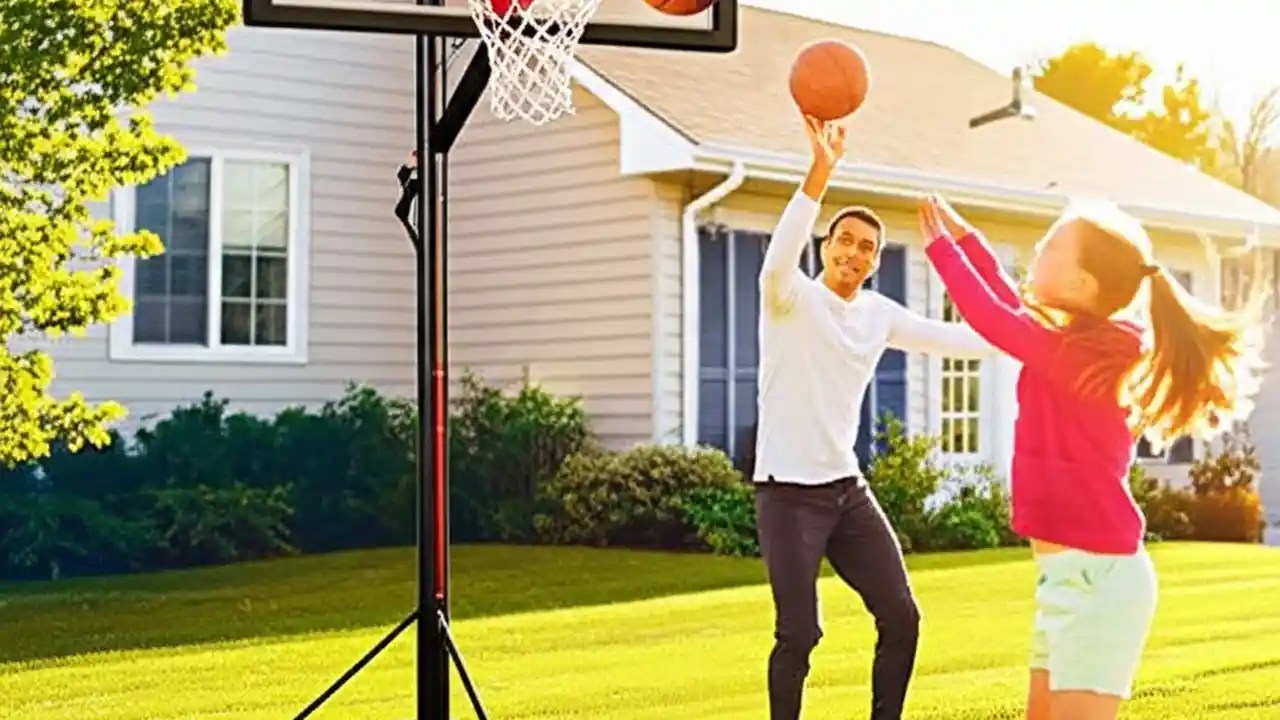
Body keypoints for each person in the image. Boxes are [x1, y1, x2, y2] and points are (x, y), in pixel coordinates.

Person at [919, 193, 1267, 720]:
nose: (1038, 248)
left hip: (1097, 583)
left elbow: (994, 318)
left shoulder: (1077, 353)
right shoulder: (1074, 341)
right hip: (1065, 579)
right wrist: (967, 240)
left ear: (1083, 285)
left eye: (1051, 245)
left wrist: (944, 252)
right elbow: (1009, 304)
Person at [753, 115, 997, 720]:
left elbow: (968, 339)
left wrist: (1026, 325)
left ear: (874, 262)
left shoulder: (879, 314)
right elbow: (778, 256)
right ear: (825, 246)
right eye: (845, 240)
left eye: (867, 247)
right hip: (787, 496)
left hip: (845, 492)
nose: (853, 253)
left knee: (902, 615)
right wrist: (821, 169)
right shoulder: (789, 297)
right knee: (800, 634)